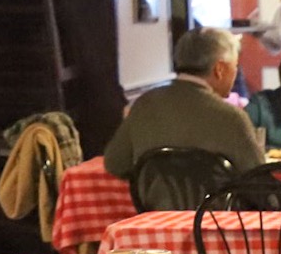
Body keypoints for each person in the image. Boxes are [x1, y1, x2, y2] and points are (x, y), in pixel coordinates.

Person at [104, 27, 265, 179]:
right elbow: (259, 185)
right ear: (220, 69)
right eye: (235, 66)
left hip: (158, 208)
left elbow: (114, 164)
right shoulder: (231, 117)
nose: (236, 73)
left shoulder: (144, 105)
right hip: (215, 208)